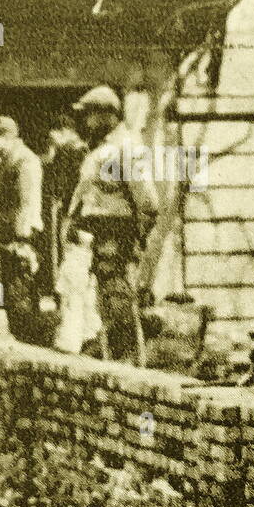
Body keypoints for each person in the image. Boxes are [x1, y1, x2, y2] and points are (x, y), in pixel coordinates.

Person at [65, 86, 158, 362]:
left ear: (107, 115)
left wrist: (137, 239)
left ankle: (126, 356)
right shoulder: (100, 149)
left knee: (116, 293)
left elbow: (148, 202)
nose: (85, 121)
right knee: (105, 296)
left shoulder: (126, 147)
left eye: (89, 114)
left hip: (117, 234)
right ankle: (114, 353)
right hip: (98, 234)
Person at [0, 115, 45, 343]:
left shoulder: (25, 161)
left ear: (7, 136)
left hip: (21, 235)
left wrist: (23, 239)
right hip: (4, 233)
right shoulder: (6, 161)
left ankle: (29, 337)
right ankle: (1, 326)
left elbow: (29, 202)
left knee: (20, 289)